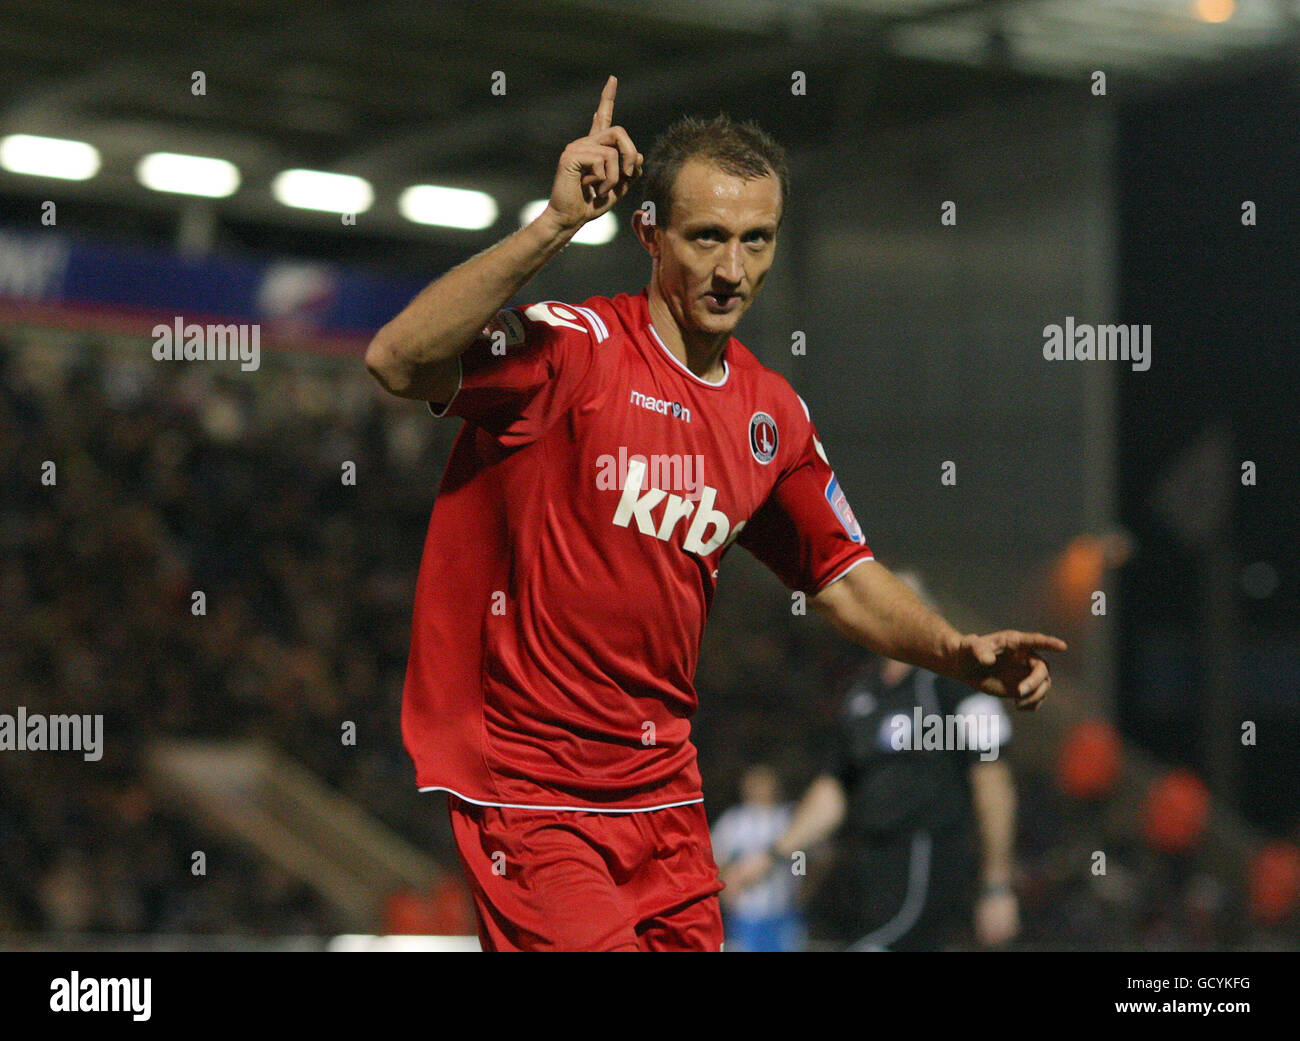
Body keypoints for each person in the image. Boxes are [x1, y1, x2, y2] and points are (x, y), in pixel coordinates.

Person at [364, 76, 1065, 952]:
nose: (733, 269)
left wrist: (953, 650)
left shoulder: (771, 418)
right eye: (707, 237)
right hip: (536, 787)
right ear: (648, 234)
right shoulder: (573, 350)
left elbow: (843, 575)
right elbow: (397, 359)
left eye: (755, 240)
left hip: (664, 795)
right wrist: (552, 226)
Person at [725, 572, 1022, 951]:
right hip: (868, 868)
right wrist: (773, 856)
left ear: (928, 615)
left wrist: (997, 884)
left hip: (926, 863)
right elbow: (835, 788)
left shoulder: (953, 688)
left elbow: (992, 778)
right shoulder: (862, 694)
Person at [712, 765, 806, 951]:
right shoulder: (734, 821)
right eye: (753, 783)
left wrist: (800, 880)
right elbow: (715, 859)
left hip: (784, 911)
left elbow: (801, 855)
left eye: (763, 783)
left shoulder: (787, 818)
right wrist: (726, 885)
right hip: (746, 913)